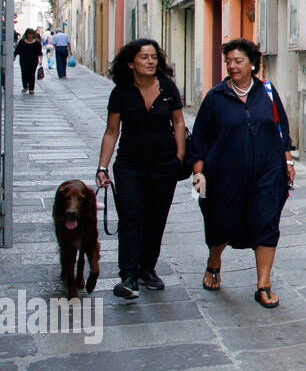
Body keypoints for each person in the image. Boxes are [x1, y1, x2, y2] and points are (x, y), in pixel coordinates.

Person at [190, 39, 294, 307]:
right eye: (229, 61)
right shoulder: (215, 97)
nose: (232, 66)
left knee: (266, 220)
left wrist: (288, 162)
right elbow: (200, 138)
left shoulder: (268, 93)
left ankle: (263, 284)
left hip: (268, 171)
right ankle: (214, 261)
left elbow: (281, 130)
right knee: (221, 222)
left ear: (252, 64)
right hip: (225, 174)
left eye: (238, 61)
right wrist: (198, 174)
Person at [95, 39, 187, 300]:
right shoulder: (121, 92)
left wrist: (179, 156)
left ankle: (147, 268)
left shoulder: (167, 87)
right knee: (131, 218)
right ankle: (128, 276)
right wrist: (102, 167)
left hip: (163, 165)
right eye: (144, 57)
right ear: (130, 62)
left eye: (154, 57)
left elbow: (178, 121)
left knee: (156, 218)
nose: (150, 61)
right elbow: (112, 131)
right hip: (130, 166)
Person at [14, 28, 43, 94]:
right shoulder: (22, 41)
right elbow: (17, 49)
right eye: (28, 34)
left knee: (32, 73)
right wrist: (14, 56)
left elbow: (40, 52)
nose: (30, 36)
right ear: (26, 34)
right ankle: (25, 87)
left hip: (33, 60)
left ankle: (31, 88)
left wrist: (41, 61)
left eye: (31, 34)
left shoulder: (37, 43)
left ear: (33, 35)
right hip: (24, 59)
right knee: (24, 72)